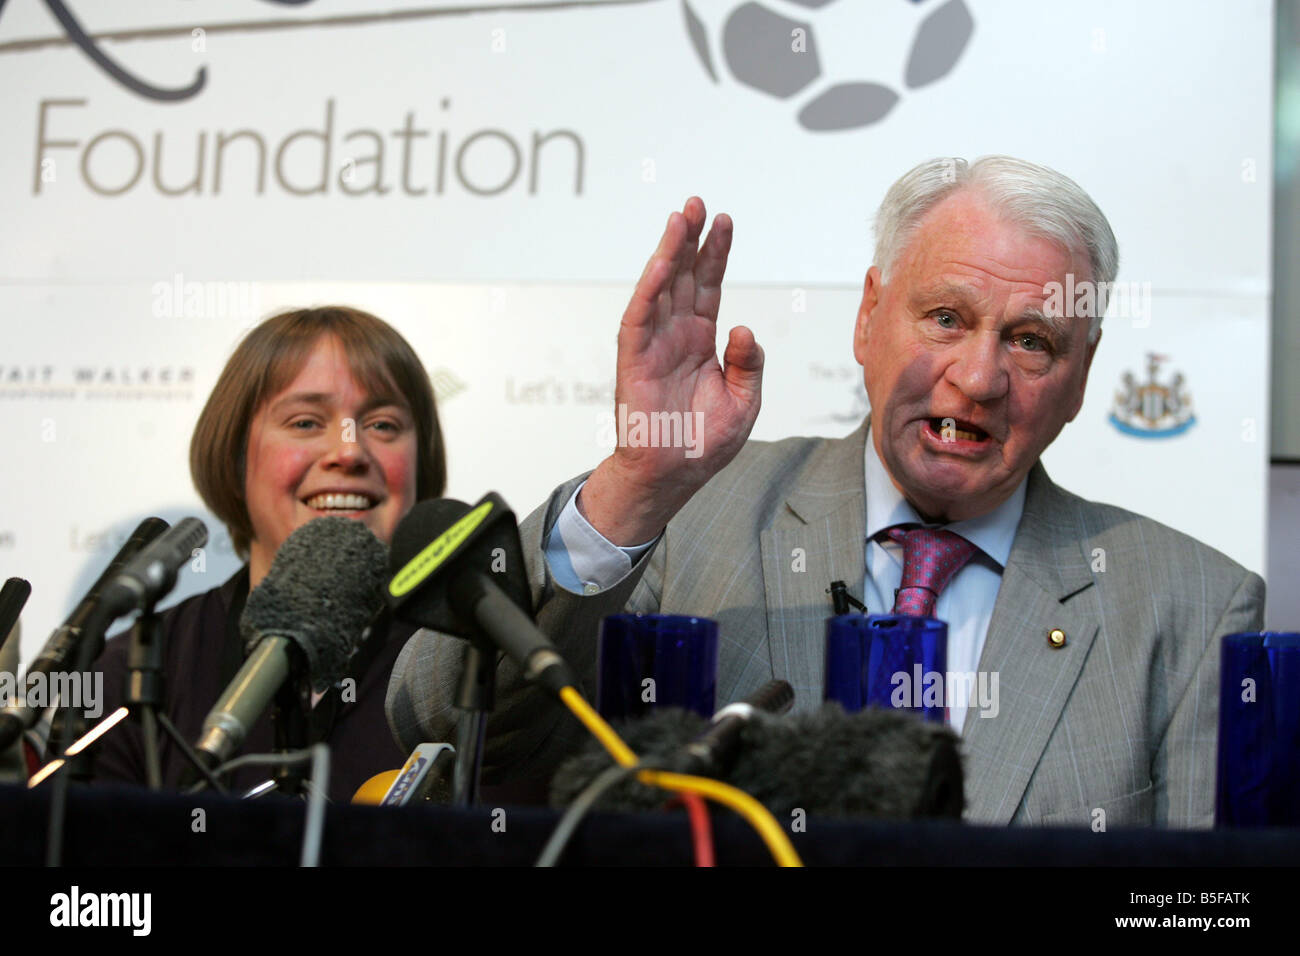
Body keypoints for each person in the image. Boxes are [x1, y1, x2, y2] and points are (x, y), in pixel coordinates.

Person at [387, 156, 1265, 826]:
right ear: (867, 316)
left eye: (1032, 340)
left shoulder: (1189, 606)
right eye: (947, 318)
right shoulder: (697, 516)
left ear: (1080, 379)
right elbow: (443, 723)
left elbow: (1209, 911)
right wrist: (639, 483)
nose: (981, 376)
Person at [91, 306, 445, 801]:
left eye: (383, 425)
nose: (349, 451)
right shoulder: (133, 670)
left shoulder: (469, 670)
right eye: (305, 422)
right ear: (234, 455)